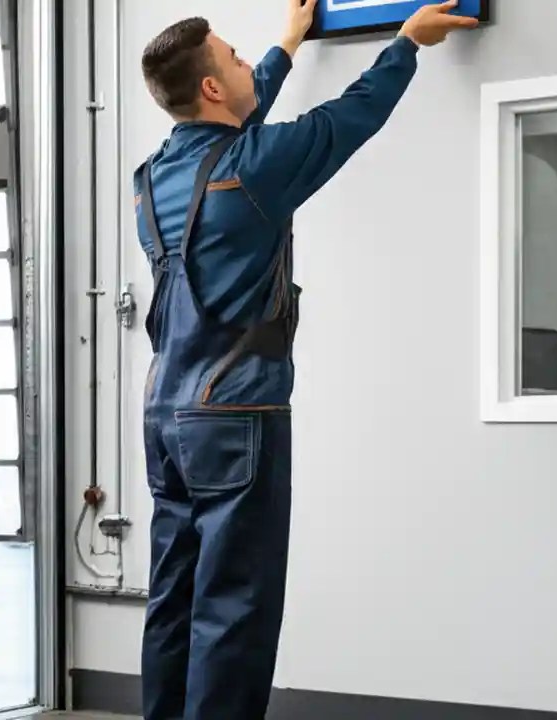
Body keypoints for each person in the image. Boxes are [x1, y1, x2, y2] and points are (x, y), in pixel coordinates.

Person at [132, 1, 478, 718]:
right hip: (235, 418)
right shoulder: (255, 168)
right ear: (211, 90)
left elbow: (239, 129)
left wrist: (286, 47)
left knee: (176, 596)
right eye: (232, 57)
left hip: (166, 416)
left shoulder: (156, 175)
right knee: (234, 610)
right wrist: (406, 42)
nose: (240, 62)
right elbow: (347, 119)